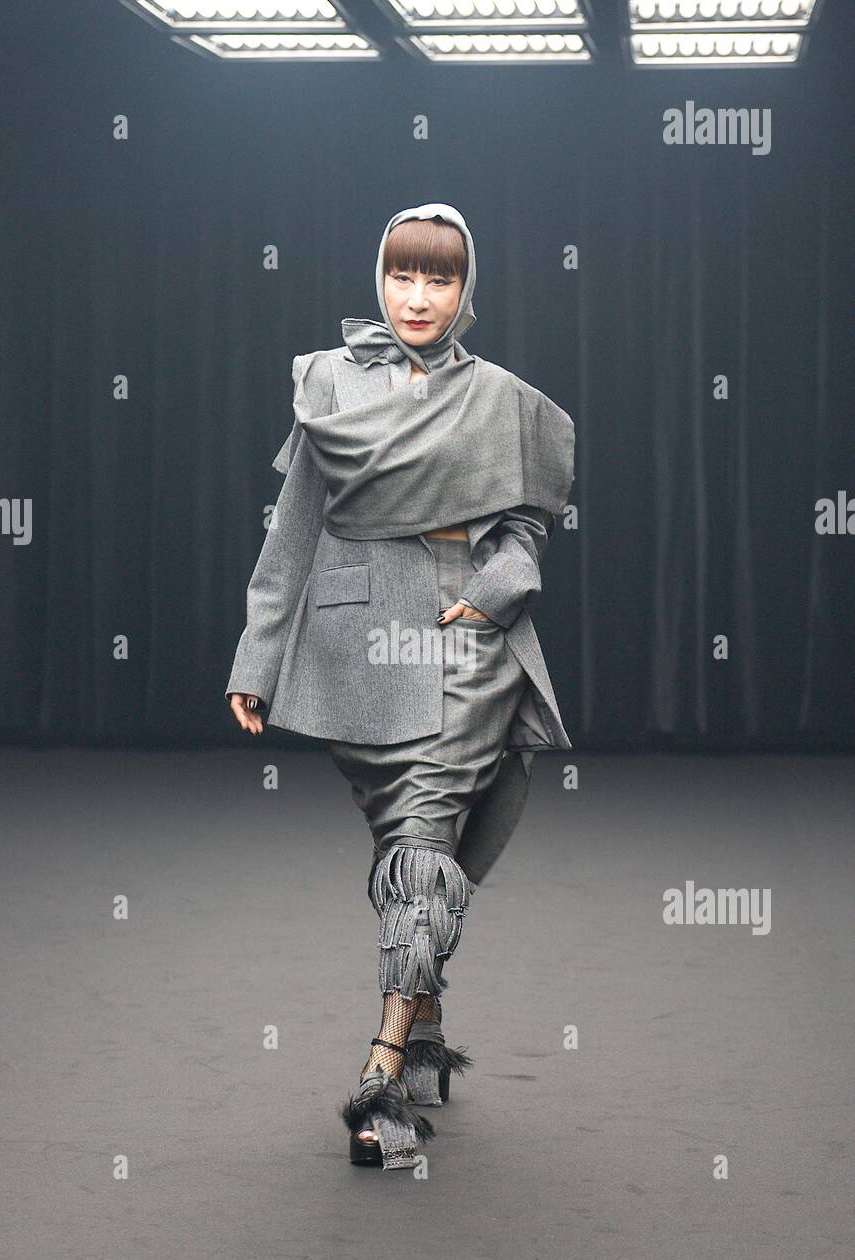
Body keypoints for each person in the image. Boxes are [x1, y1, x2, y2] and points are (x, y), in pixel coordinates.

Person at [226, 203, 575, 1170]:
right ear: (378, 277)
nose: (418, 298)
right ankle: (423, 1032)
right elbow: (293, 525)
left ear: (468, 291)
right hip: (356, 652)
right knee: (401, 843)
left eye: (439, 280)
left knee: (423, 848)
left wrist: (497, 593)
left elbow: (528, 528)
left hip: (462, 644)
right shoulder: (328, 381)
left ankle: (379, 1083)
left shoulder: (500, 398)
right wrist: (258, 656)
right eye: (403, 276)